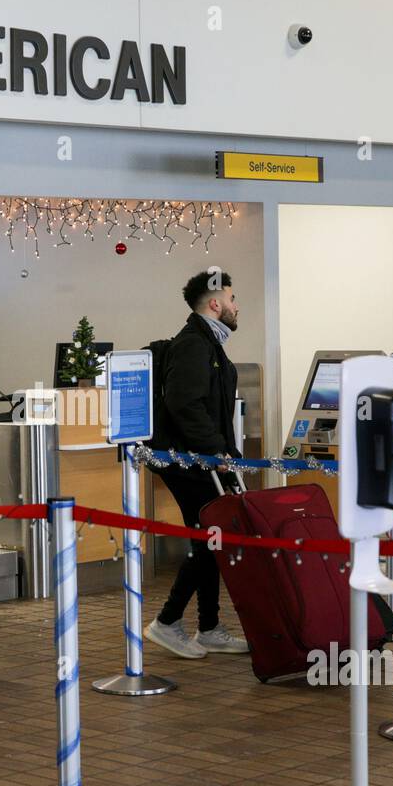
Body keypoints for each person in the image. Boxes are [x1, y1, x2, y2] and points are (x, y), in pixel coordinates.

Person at [144, 270, 251, 659]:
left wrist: (226, 453)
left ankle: (208, 627)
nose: (237, 306)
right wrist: (215, 453)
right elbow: (183, 402)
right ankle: (168, 621)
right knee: (208, 538)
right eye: (233, 298)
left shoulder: (209, 343)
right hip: (189, 461)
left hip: (203, 459)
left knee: (211, 537)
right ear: (215, 303)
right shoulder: (194, 344)